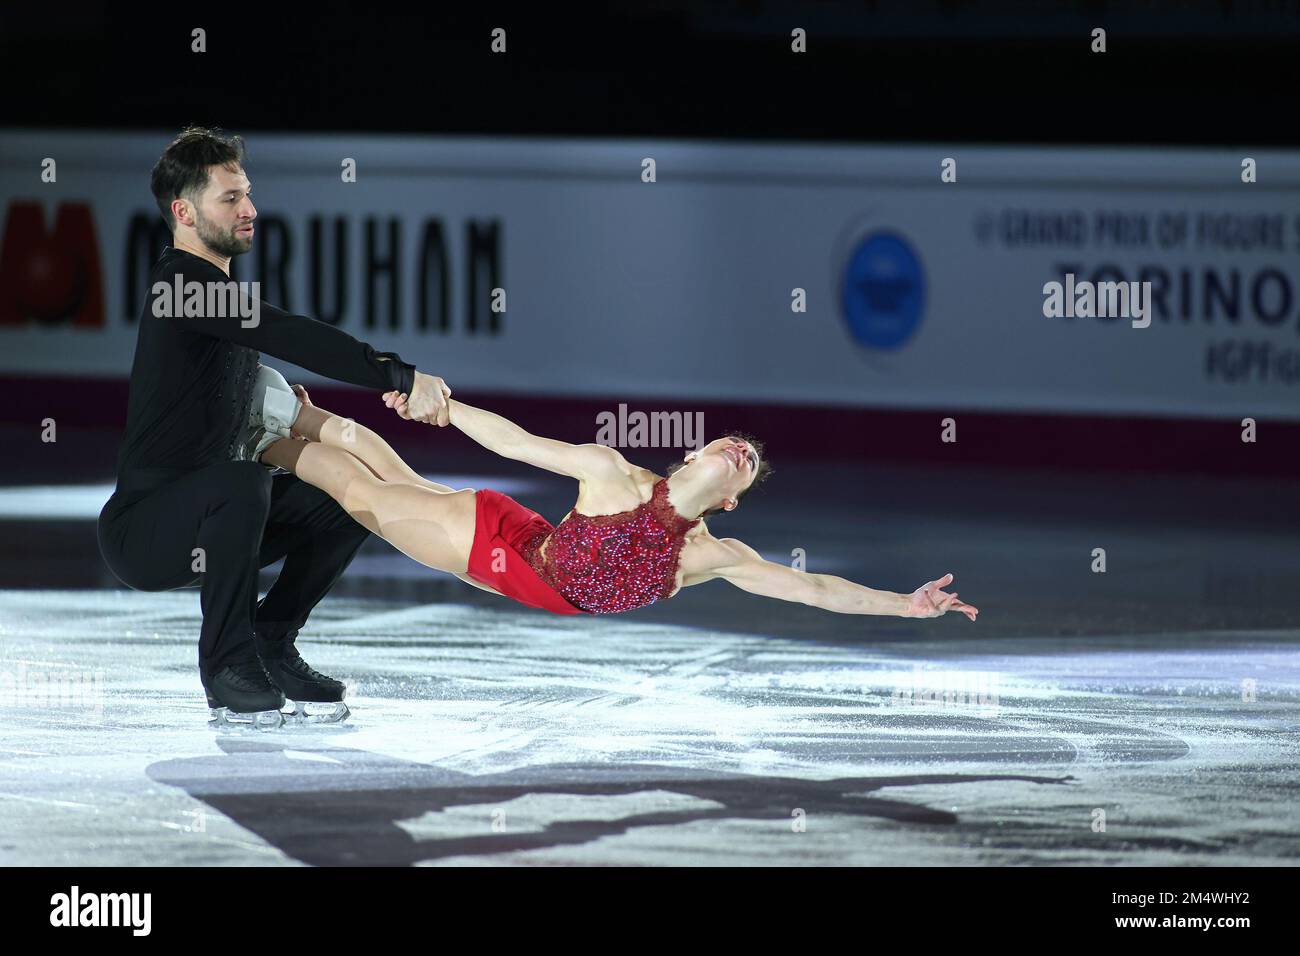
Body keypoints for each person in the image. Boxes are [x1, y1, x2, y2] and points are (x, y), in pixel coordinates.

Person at [95, 126, 451, 728]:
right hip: (145, 529)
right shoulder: (179, 287)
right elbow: (286, 331)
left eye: (248, 194)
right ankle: (226, 670)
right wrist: (392, 372)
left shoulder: (212, 293)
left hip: (216, 515)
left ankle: (272, 640)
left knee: (344, 498)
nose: (250, 209)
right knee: (241, 482)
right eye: (229, 197)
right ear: (183, 212)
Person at [244, 371, 979, 640]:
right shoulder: (610, 473)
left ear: (730, 499)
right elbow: (517, 444)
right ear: (694, 457)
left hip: (528, 574)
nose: (739, 451)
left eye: (748, 462)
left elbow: (817, 590)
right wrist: (441, 404)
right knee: (367, 498)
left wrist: (903, 605)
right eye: (730, 443)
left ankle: (309, 418)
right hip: (500, 546)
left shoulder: (711, 557)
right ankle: (259, 432)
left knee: (398, 485)